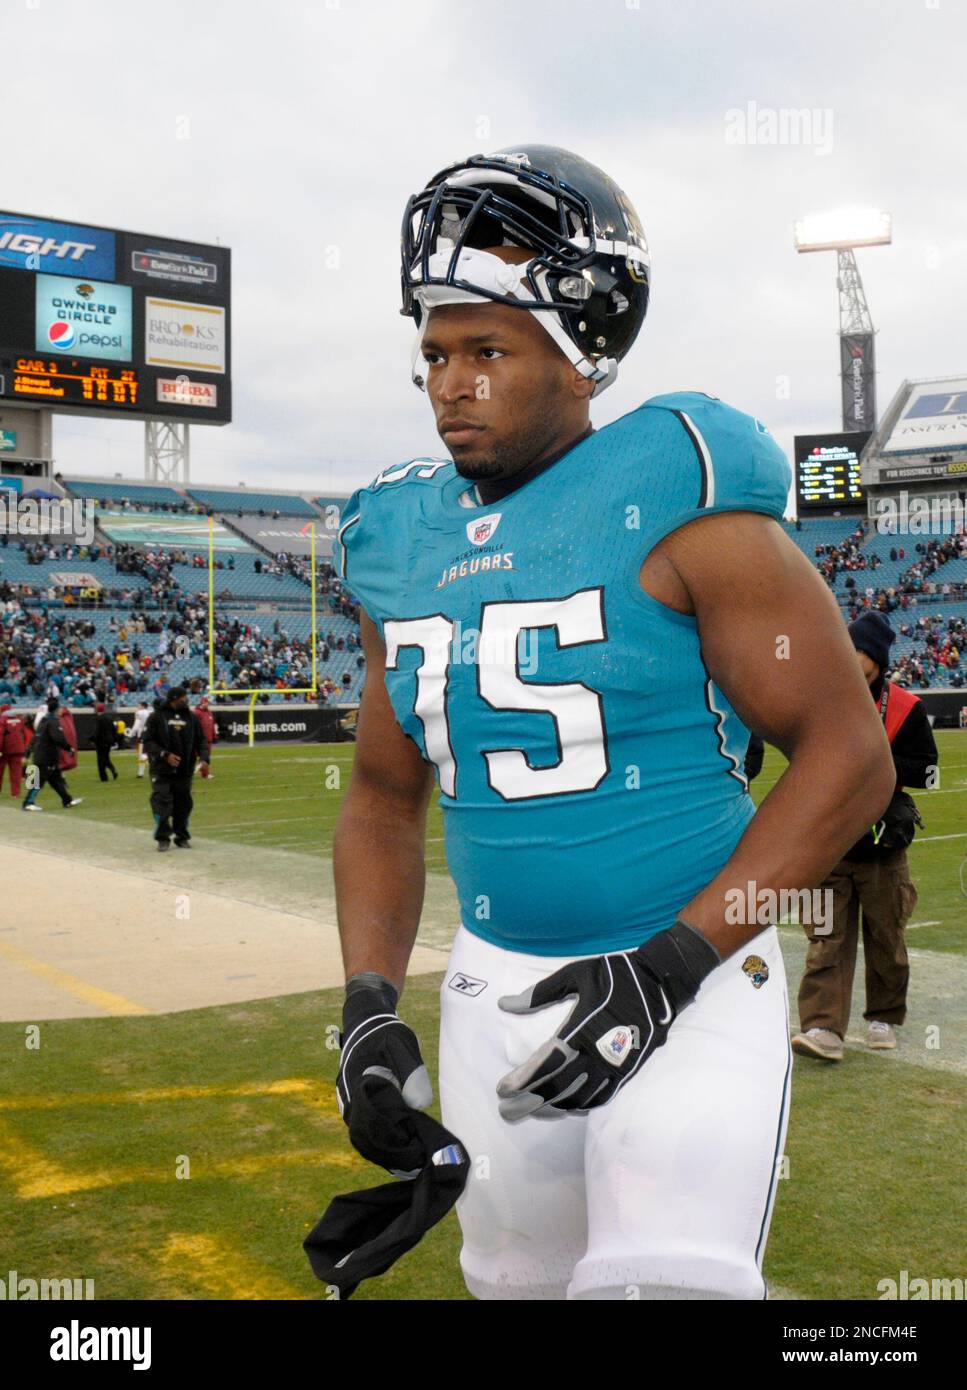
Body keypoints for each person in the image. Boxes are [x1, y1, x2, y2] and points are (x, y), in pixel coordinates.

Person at [329, 144, 896, 1301]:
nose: (450, 383)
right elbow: (385, 796)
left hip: (684, 977)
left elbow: (848, 756)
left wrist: (669, 966)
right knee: (513, 1287)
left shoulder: (678, 491)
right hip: (495, 990)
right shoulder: (393, 537)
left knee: (659, 1287)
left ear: (583, 356)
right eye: (434, 352)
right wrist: (365, 1006)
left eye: (487, 349)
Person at [792, 612, 938, 1061]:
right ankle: (822, 1028)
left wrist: (880, 763)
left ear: (876, 658)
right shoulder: (825, 701)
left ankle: (884, 1017)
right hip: (831, 840)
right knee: (826, 938)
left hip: (883, 848)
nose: (850, 657)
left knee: (886, 937)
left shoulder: (905, 708)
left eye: (859, 650)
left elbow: (930, 774)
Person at [142, 686, 210, 851]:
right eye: (183, 697)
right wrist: (165, 755)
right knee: (162, 803)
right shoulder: (156, 717)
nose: (186, 699)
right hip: (161, 770)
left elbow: (201, 740)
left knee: (183, 804)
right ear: (174, 698)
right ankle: (163, 838)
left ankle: (182, 836)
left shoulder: (192, 718)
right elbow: (148, 741)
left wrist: (204, 758)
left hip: (184, 770)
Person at [22, 697, 83, 812]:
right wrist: (69, 748)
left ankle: (67, 800)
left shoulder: (43, 721)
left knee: (56, 780)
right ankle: (28, 803)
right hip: (47, 756)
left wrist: (28, 753)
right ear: (57, 709)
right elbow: (58, 737)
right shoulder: (53, 721)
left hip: (41, 754)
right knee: (38, 781)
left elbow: (35, 738)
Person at [0, 703, 32, 798]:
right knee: (16, 773)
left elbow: (0, 736)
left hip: (5, 750)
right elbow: (25, 735)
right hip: (19, 749)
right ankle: (15, 794)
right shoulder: (20, 720)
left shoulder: (2, 720)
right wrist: (24, 746)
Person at [93, 702, 120, 782]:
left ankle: (104, 777)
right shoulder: (109, 718)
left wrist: (92, 739)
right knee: (106, 757)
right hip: (109, 741)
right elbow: (114, 729)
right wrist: (115, 739)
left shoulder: (98, 718)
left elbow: (97, 731)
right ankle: (112, 770)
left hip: (101, 741)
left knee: (100, 759)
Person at [194, 697, 217, 779]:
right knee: (194, 755)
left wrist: (214, 735)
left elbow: (212, 725)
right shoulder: (196, 713)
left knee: (206, 757)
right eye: (205, 702)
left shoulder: (209, 713)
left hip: (208, 738)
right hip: (199, 739)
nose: (206, 704)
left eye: (207, 703)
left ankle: (205, 773)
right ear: (201, 703)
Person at [131, 700, 151, 778]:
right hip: (150, 735)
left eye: (139, 705)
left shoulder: (139, 712)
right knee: (144, 753)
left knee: (142, 755)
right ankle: (140, 773)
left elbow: (137, 724)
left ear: (142, 706)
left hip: (142, 735)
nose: (138, 707)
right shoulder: (150, 712)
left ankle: (142, 772)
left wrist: (132, 733)